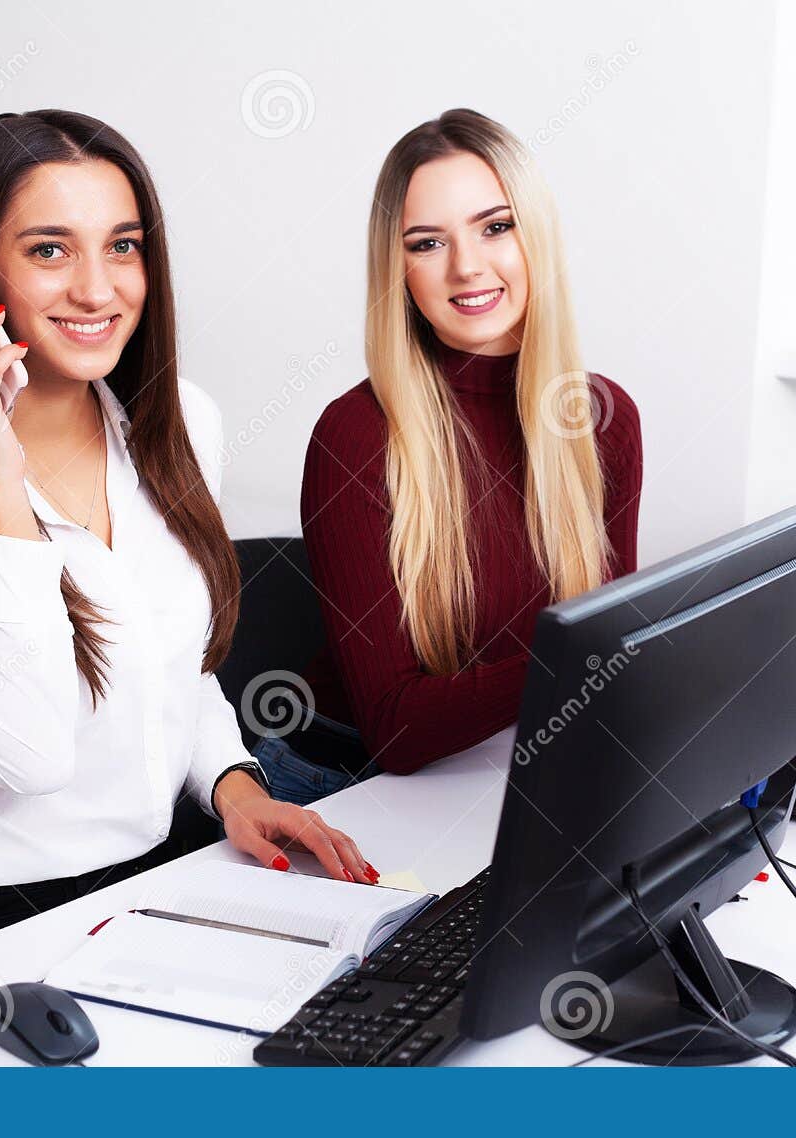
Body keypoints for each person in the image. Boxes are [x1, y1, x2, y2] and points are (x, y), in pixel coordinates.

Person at [0, 110, 375, 962]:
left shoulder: (181, 422)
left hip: (172, 866)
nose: (99, 289)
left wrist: (231, 782)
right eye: (49, 249)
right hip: (2, 918)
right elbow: (23, 756)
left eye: (122, 245)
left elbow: (174, 665)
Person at [259, 108, 642, 804]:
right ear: (398, 270)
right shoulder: (356, 435)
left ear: (537, 237)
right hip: (343, 783)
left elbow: (607, 654)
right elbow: (395, 731)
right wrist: (584, 656)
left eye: (496, 226)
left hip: (496, 764)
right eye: (428, 242)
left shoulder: (601, 421)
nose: (467, 266)